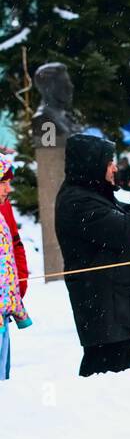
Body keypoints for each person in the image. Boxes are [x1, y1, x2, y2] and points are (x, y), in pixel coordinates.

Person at [54, 134, 130, 377]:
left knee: (115, 373)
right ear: (93, 165)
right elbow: (125, 229)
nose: (114, 167)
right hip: (104, 306)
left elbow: (123, 217)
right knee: (105, 375)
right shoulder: (78, 201)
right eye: (109, 162)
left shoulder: (91, 193)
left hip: (113, 305)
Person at [0, 160, 33, 378]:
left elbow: (14, 246)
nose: (8, 189)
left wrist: (18, 282)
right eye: (3, 182)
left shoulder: (4, 209)